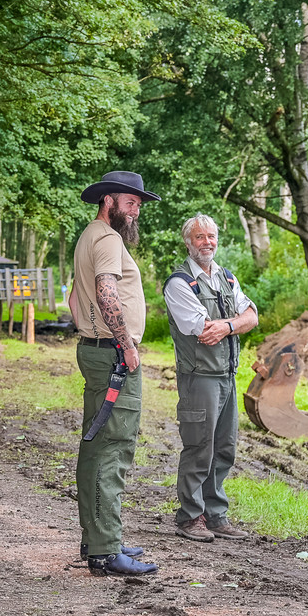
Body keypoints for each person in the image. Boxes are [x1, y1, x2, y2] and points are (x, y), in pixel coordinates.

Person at [71, 171, 161, 577]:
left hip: (97, 351)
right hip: (113, 356)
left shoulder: (89, 235)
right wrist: (125, 344)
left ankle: (101, 538)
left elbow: (76, 296)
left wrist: (91, 334)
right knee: (113, 447)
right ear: (108, 201)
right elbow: (106, 291)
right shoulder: (108, 239)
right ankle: (106, 552)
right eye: (130, 202)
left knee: (98, 445)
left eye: (138, 203)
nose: (136, 209)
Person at [163, 213, 258, 542]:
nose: (207, 242)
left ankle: (216, 515)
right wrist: (233, 322)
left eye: (211, 236)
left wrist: (229, 325)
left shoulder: (227, 278)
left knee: (224, 448)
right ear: (188, 242)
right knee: (199, 447)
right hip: (199, 377)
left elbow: (252, 316)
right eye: (200, 237)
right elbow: (203, 330)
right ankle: (190, 517)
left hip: (227, 376)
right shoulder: (179, 283)